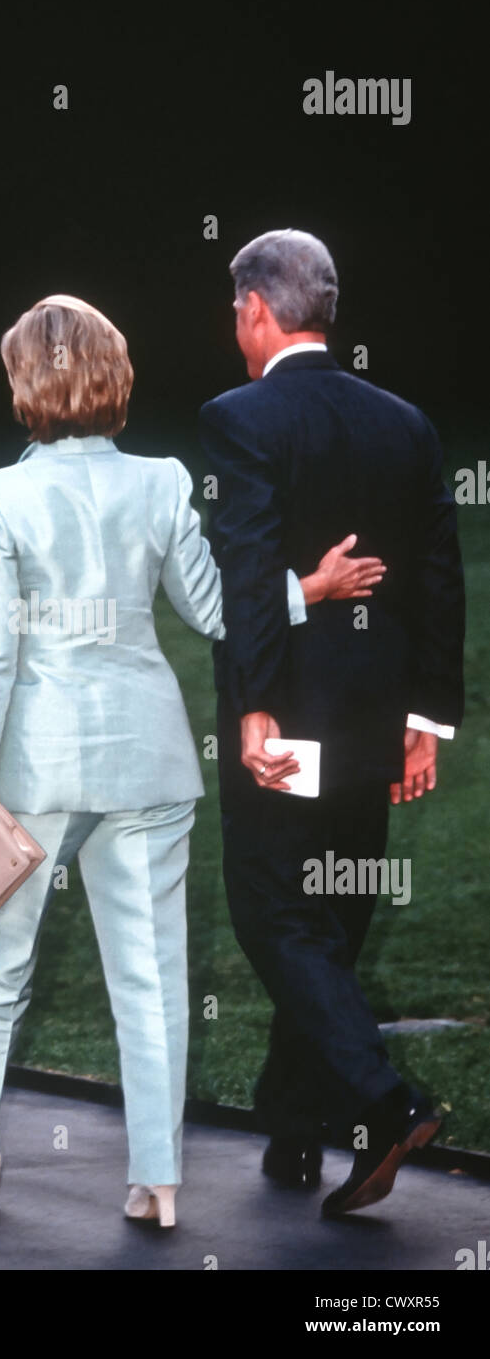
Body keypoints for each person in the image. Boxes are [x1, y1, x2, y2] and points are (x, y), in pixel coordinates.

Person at [0, 294, 384, 1225]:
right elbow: (214, 613)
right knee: (154, 977)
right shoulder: (161, 481)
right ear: (113, 378)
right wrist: (308, 588)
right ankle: (155, 1182)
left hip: (34, 767)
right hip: (150, 758)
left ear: (23, 382)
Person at [198, 229, 466, 1216]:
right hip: (370, 723)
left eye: (233, 310)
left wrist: (255, 706)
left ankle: (384, 1103)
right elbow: (438, 581)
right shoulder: (403, 422)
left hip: (288, 722)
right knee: (331, 915)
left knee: (276, 911)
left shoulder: (235, 418)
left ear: (254, 308)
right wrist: (421, 721)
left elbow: (242, 576)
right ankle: (294, 1117)